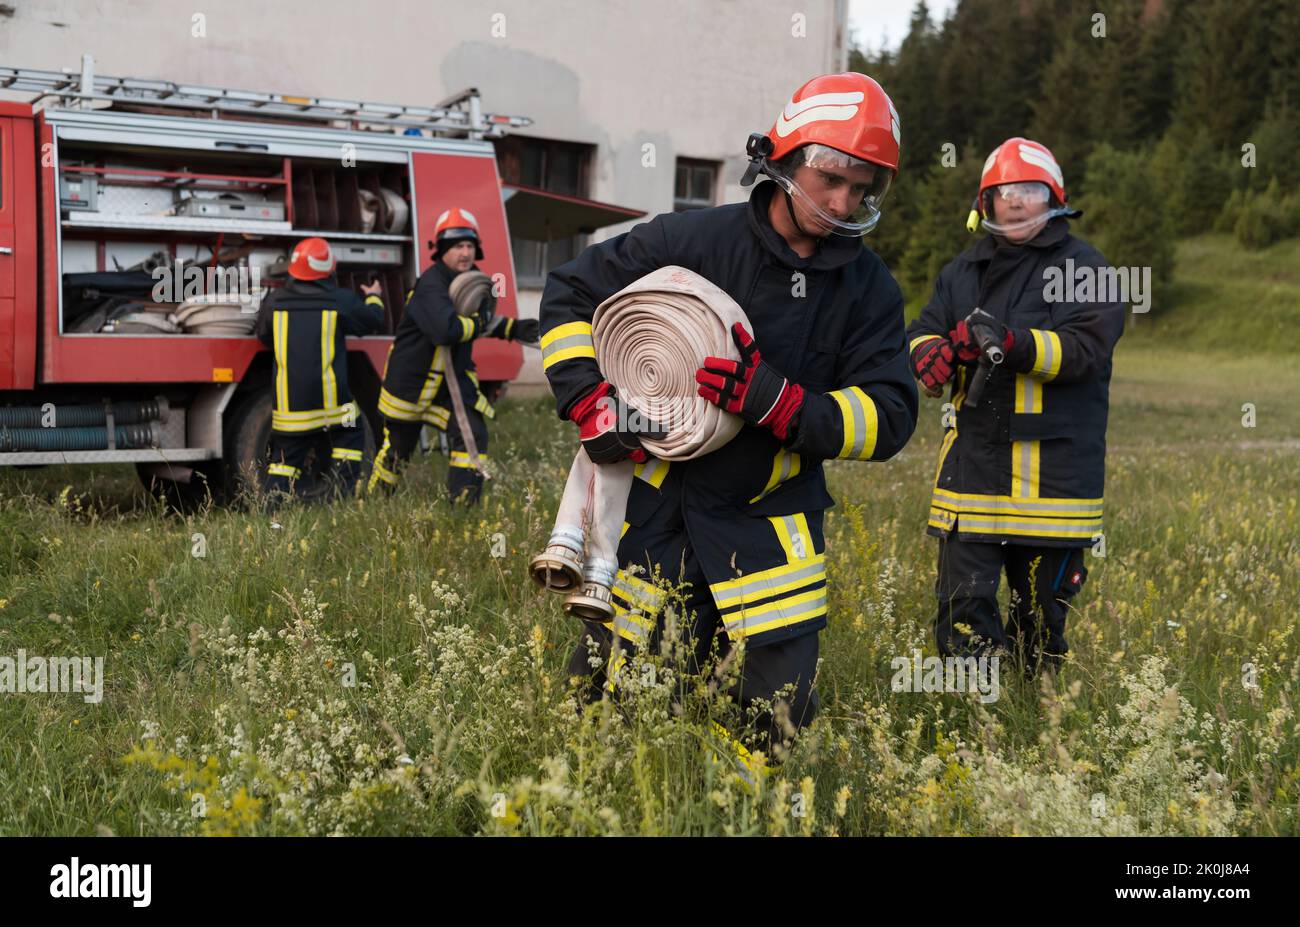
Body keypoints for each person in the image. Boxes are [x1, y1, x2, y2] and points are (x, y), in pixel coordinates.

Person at [539, 73, 917, 758]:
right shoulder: (693, 240)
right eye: (831, 179)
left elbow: (889, 415)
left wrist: (787, 405)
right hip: (660, 515)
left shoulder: (869, 290)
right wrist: (588, 398)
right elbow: (570, 292)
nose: (842, 203)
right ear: (784, 159)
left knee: (776, 718)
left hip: (770, 527)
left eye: (861, 188)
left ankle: (737, 806)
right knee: (608, 700)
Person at [905, 136, 1125, 677]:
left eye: (1030, 190)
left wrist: (1011, 342)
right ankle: (975, 714)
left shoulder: (1086, 267)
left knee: (1041, 627)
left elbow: (1086, 350)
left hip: (1054, 486)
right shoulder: (961, 272)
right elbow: (921, 330)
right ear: (985, 203)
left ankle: (1034, 714)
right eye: (1005, 192)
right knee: (962, 616)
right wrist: (929, 353)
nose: (1018, 201)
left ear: (1055, 198)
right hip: (971, 480)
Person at [369, 207, 538, 503]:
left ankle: (462, 504)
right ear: (443, 250)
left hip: (449, 388)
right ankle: (375, 501)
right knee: (398, 451)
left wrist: (515, 328)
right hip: (410, 386)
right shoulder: (430, 285)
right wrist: (482, 322)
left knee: (472, 432)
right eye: (458, 246)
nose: (465, 253)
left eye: (469, 246)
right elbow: (447, 330)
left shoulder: (473, 283)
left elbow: (477, 321)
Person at [256, 236, 383, 502]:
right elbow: (373, 321)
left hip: (290, 412)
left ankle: (272, 509)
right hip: (336, 409)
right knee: (353, 432)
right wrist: (374, 297)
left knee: (284, 460)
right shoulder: (340, 300)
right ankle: (341, 497)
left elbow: (264, 336)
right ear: (329, 268)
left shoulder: (274, 302)